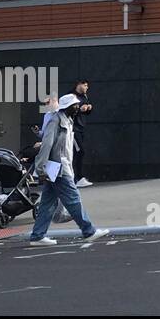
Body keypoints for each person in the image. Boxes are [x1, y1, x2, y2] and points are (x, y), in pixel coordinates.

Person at [27, 94, 110, 246]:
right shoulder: (55, 120)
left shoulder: (68, 120)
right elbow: (47, 144)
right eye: (75, 105)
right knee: (73, 199)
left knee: (47, 203)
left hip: (59, 166)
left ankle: (37, 236)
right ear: (68, 107)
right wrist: (40, 168)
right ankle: (88, 231)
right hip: (57, 167)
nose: (78, 107)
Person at [71, 80, 94, 187]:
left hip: (80, 128)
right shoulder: (71, 96)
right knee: (79, 151)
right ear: (79, 84)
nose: (86, 88)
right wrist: (80, 109)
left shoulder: (84, 96)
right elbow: (68, 111)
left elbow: (87, 111)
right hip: (73, 129)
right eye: (85, 85)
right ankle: (77, 178)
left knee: (77, 153)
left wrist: (88, 109)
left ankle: (76, 178)